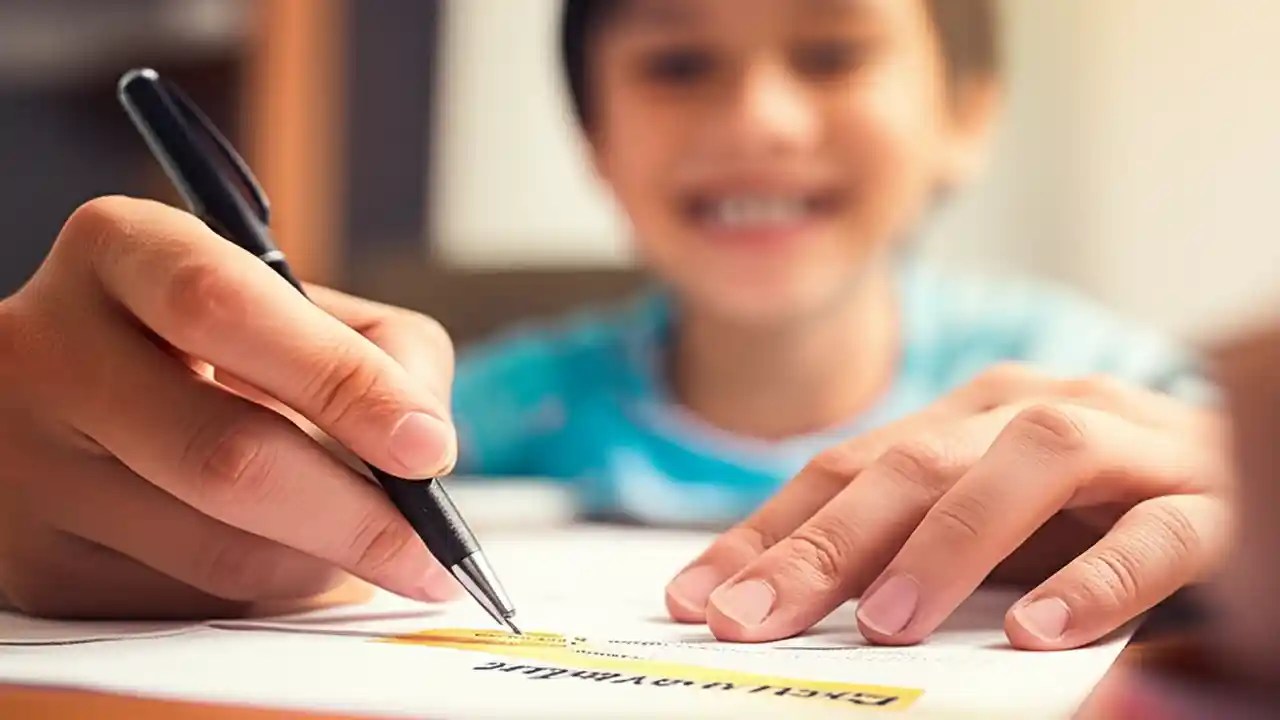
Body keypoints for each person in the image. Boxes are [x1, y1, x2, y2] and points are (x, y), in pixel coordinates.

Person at [0, 0, 1229, 655]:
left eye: (831, 49)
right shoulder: (488, 411)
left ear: (965, 112)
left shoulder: (1103, 382)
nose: (758, 119)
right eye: (679, 65)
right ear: (593, 141)